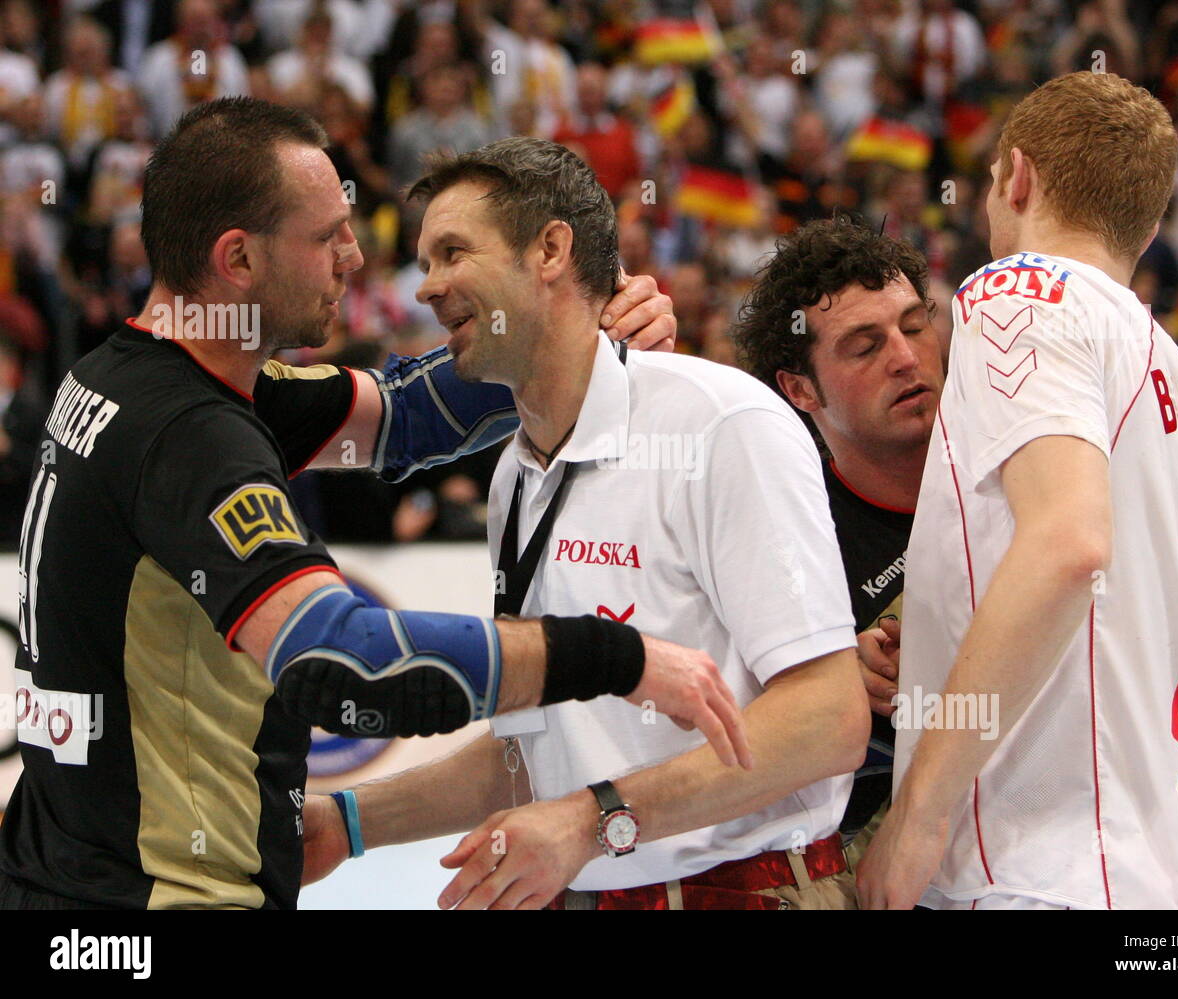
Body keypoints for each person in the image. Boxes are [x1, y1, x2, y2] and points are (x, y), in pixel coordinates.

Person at [0, 98, 747, 911]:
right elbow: (339, 660)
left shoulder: (134, 373)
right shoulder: (191, 435)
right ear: (239, 260)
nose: (354, 257)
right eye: (326, 236)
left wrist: (565, 326)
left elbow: (406, 415)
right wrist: (618, 658)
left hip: (59, 871)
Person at [303, 137, 871, 910]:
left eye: (451, 252)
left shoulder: (719, 423)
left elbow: (828, 719)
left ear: (551, 249)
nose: (427, 289)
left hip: (752, 891)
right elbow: (538, 751)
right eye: (424, 261)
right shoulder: (518, 471)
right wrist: (346, 821)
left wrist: (592, 820)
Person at [858, 71, 1178, 910]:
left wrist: (918, 811)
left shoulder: (1021, 290)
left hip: (1052, 864)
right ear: (1154, 221)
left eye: (990, 183)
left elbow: (1068, 544)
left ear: (1016, 177)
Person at [731, 217, 941, 867]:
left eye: (914, 325)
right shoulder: (783, 533)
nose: (906, 358)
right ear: (799, 388)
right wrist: (824, 683)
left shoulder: (1024, 471)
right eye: (863, 346)